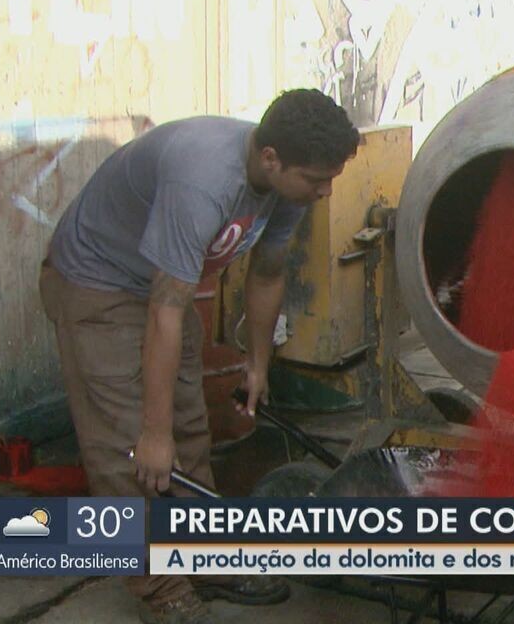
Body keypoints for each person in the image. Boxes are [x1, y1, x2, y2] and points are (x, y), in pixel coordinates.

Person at [39, 89, 359, 623]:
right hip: (97, 282)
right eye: (316, 179)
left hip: (160, 287)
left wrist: (258, 364)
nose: (325, 190)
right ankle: (159, 587)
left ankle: (203, 555)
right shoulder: (203, 181)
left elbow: (267, 273)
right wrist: (152, 433)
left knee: (189, 426)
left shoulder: (288, 188)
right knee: (127, 447)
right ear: (271, 158)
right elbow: (165, 311)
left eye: (331, 178)